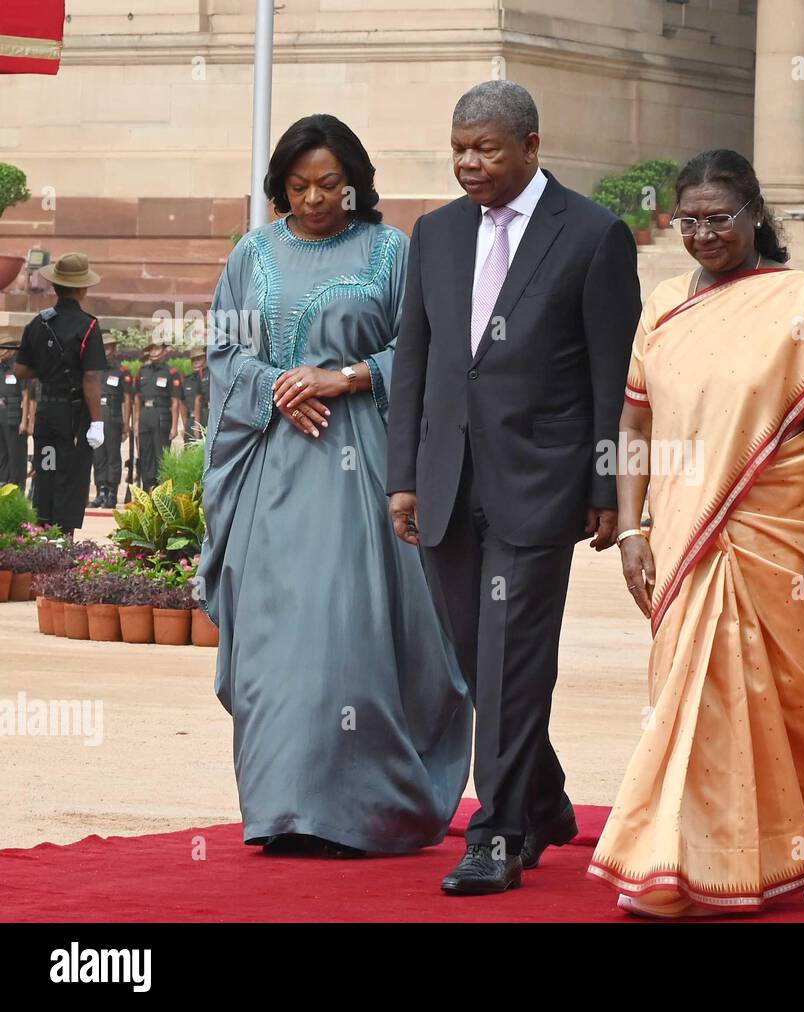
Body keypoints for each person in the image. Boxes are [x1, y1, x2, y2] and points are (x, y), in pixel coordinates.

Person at [586, 149, 804, 917]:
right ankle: (682, 862)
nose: (704, 234)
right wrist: (632, 528)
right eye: (689, 221)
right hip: (686, 534)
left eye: (719, 218)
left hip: (786, 531)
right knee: (691, 700)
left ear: (756, 215)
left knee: (800, 699)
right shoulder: (665, 305)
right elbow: (634, 421)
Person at [387, 80, 641, 895]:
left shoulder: (594, 235)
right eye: (459, 148)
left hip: (540, 486)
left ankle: (495, 835)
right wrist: (402, 478)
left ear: (530, 146)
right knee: (481, 662)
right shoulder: (434, 233)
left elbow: (611, 375)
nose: (469, 163)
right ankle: (545, 801)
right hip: (444, 483)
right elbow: (415, 363)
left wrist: (607, 484)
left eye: (485, 149)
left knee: (511, 661)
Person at [197, 113, 472, 857]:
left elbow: (425, 348)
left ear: (355, 185)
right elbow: (223, 351)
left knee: (349, 632)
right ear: (279, 187)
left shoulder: (391, 252)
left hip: (364, 471)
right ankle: (281, 810)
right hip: (271, 470)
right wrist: (277, 385)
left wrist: (344, 377)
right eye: (298, 187)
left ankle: (360, 812)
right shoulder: (252, 256)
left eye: (328, 185)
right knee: (274, 641)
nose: (314, 200)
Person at [13, 253, 106, 534]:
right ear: (82, 288)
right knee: (70, 474)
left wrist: (48, 370)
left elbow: (21, 370)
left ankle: (43, 530)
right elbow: (90, 377)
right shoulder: (89, 326)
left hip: (46, 414)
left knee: (47, 469)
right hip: (72, 417)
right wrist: (97, 421)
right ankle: (63, 538)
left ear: (55, 285)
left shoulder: (38, 323)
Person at [133, 341, 183, 491]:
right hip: (145, 415)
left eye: (156, 349)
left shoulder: (171, 373)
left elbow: (175, 402)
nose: (153, 352)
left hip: (161, 415)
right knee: (145, 453)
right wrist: (136, 421)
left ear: (165, 351)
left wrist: (174, 427)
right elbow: (137, 399)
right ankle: (147, 488)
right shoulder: (142, 371)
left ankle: (161, 490)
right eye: (151, 349)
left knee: (160, 454)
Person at [91, 332, 132, 508]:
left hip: (113, 415)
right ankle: (101, 491)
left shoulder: (122, 371)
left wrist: (126, 424)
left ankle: (112, 492)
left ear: (114, 349)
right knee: (98, 455)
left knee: (113, 455)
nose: (105, 350)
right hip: (96, 415)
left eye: (108, 347)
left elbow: (127, 399)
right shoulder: (93, 369)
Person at [0, 340, 30, 489]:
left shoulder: (19, 367)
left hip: (14, 418)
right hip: (1, 417)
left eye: (3, 348)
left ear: (12, 350)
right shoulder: (1, 368)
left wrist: (24, 421)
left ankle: (17, 488)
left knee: (16, 455)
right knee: (2, 453)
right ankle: (3, 484)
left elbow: (26, 395)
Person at [184, 344, 209, 441]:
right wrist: (186, 423)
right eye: (193, 360)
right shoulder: (186, 380)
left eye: (199, 359)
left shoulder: (211, 374)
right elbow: (182, 403)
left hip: (208, 416)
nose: (196, 362)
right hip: (192, 419)